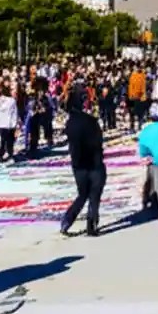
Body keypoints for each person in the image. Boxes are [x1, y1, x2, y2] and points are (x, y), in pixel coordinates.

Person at [60, 87, 105, 237]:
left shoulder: (70, 123)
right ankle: (91, 225)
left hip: (78, 164)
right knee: (94, 196)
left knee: (82, 194)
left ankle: (66, 222)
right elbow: (99, 141)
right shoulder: (91, 121)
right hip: (94, 162)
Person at [0, 86, 19, 162]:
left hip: (1, 124)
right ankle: (9, 155)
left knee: (2, 141)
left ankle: (1, 156)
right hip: (8, 124)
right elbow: (14, 113)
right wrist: (14, 123)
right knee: (9, 141)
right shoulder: (11, 101)